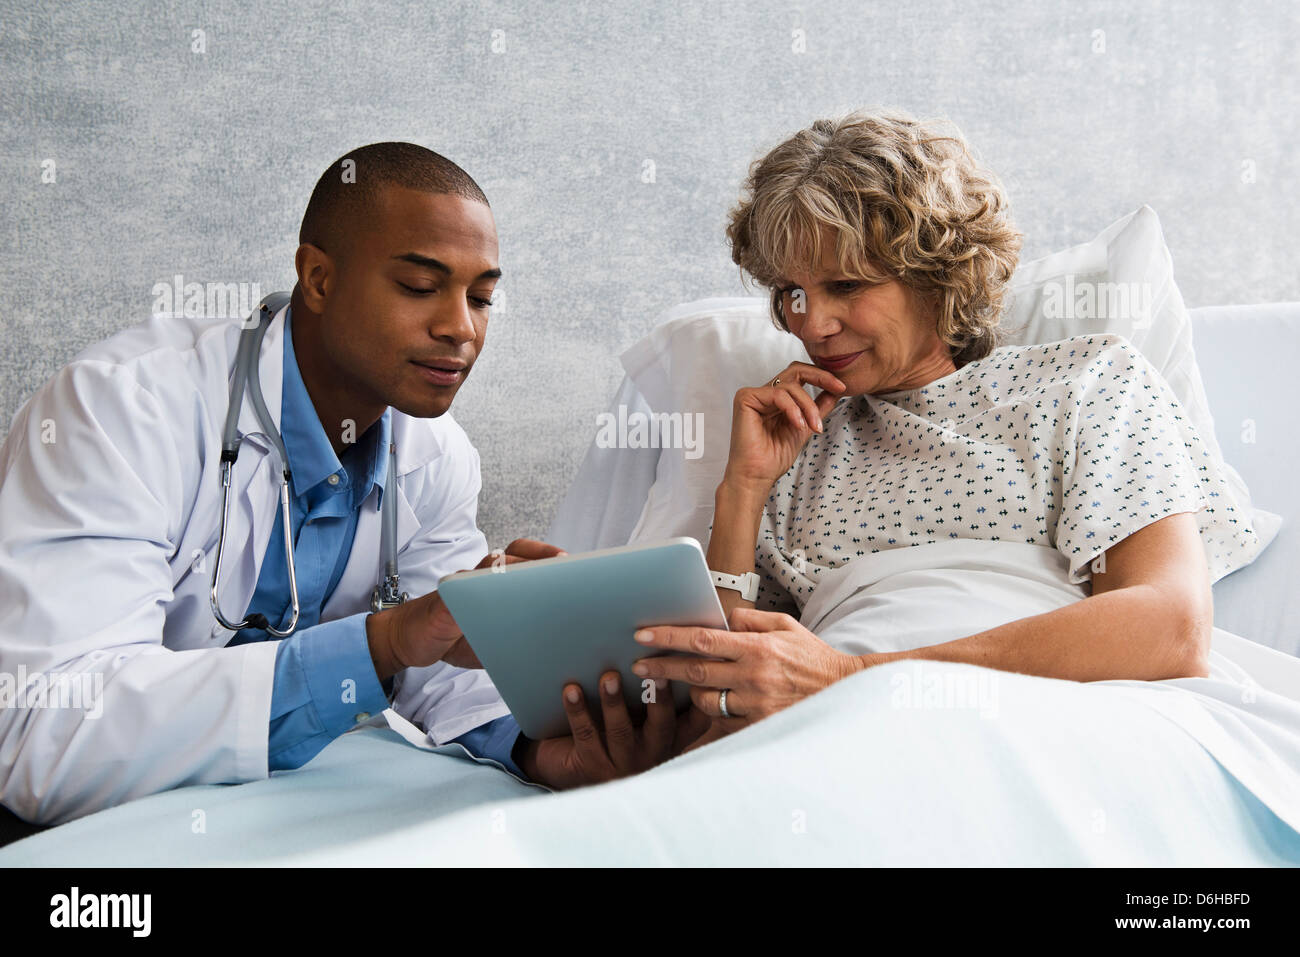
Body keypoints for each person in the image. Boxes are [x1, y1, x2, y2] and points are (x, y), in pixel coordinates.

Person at [0, 142, 682, 826]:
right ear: (319, 278)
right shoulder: (120, 411)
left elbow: (443, 678)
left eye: (481, 298)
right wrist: (380, 642)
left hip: (291, 825)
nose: (461, 327)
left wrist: (538, 748)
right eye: (420, 286)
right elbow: (40, 735)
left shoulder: (435, 455)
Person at [628, 111, 1263, 751]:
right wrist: (742, 491)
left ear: (936, 273)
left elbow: (1169, 629)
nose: (812, 324)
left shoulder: (1086, 383)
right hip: (825, 750)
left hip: (1030, 729)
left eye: (846, 284)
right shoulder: (797, 445)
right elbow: (724, 700)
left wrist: (849, 681)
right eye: (792, 292)